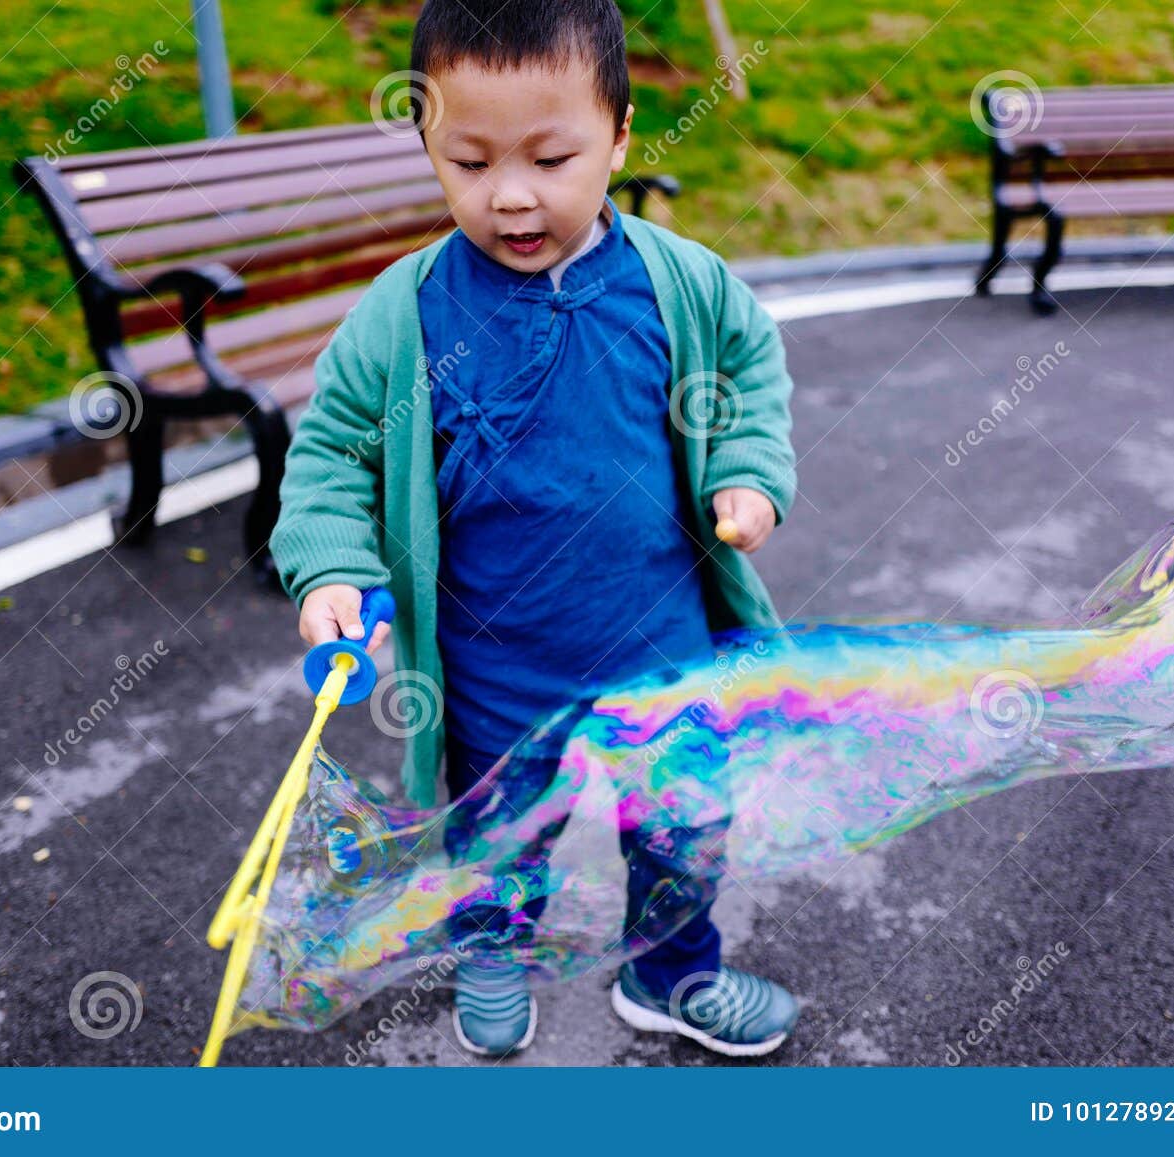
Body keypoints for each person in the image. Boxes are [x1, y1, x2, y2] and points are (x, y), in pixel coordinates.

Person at [270, 0, 799, 1058]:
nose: (510, 195)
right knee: (499, 834)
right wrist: (330, 562)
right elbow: (333, 450)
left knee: (684, 828)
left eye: (550, 157)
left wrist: (744, 472)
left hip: (661, 645)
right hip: (493, 665)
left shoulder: (677, 281)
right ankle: (493, 946)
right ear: (427, 140)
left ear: (619, 134)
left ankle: (674, 972)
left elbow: (745, 372)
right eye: (467, 162)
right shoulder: (404, 311)